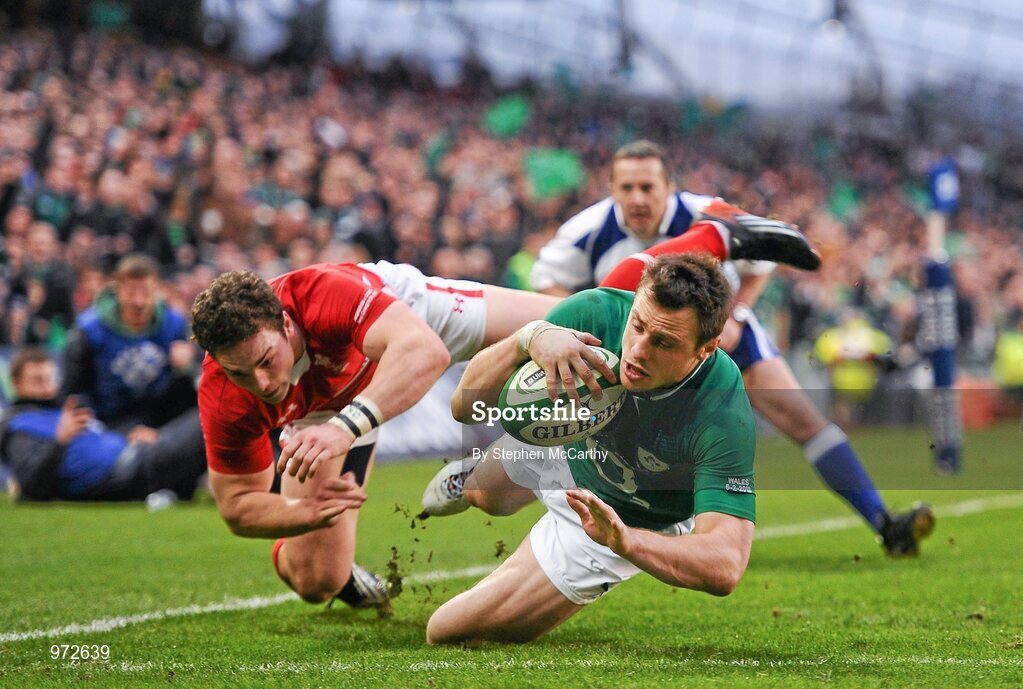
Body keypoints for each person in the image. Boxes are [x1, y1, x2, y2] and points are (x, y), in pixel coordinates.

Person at [190, 220, 815, 613]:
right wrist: (303, 512)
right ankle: (483, 479)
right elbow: (239, 506)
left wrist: (344, 428)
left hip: (409, 324)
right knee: (315, 580)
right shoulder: (226, 389)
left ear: (285, 320)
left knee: (586, 311)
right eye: (241, 373)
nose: (262, 385)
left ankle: (714, 238)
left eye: (266, 362)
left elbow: (424, 353)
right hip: (339, 409)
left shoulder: (324, 295)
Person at [528, 139, 933, 557]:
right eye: (627, 188)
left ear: (670, 187)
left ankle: (884, 523)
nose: (638, 198)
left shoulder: (705, 213)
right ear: (611, 188)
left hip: (723, 341)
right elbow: (547, 284)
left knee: (803, 419)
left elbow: (760, 264)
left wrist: (737, 316)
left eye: (648, 187)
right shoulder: (585, 231)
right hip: (635, 350)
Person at [423, 254, 756, 644]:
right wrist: (527, 337)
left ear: (706, 348)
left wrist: (626, 541)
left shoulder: (721, 412)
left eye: (663, 342)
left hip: (617, 517)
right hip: (573, 439)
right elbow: (464, 407)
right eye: (638, 325)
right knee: (484, 496)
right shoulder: (594, 313)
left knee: (445, 630)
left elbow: (726, 564)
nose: (638, 351)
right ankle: (472, 482)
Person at [0, 348, 207, 502]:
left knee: (201, 412)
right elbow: (30, 484)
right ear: (16, 383)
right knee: (212, 416)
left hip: (136, 452)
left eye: (50, 378)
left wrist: (128, 435)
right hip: (122, 476)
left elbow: (99, 437)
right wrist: (60, 439)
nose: (47, 386)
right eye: (37, 380)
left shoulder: (60, 410)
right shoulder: (19, 425)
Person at [62, 254, 199, 436]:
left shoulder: (175, 325)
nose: (138, 302)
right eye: (131, 292)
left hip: (163, 422)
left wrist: (188, 366)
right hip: (109, 425)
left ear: (158, 290)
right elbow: (73, 392)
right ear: (117, 290)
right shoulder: (89, 331)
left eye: (146, 292)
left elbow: (197, 382)